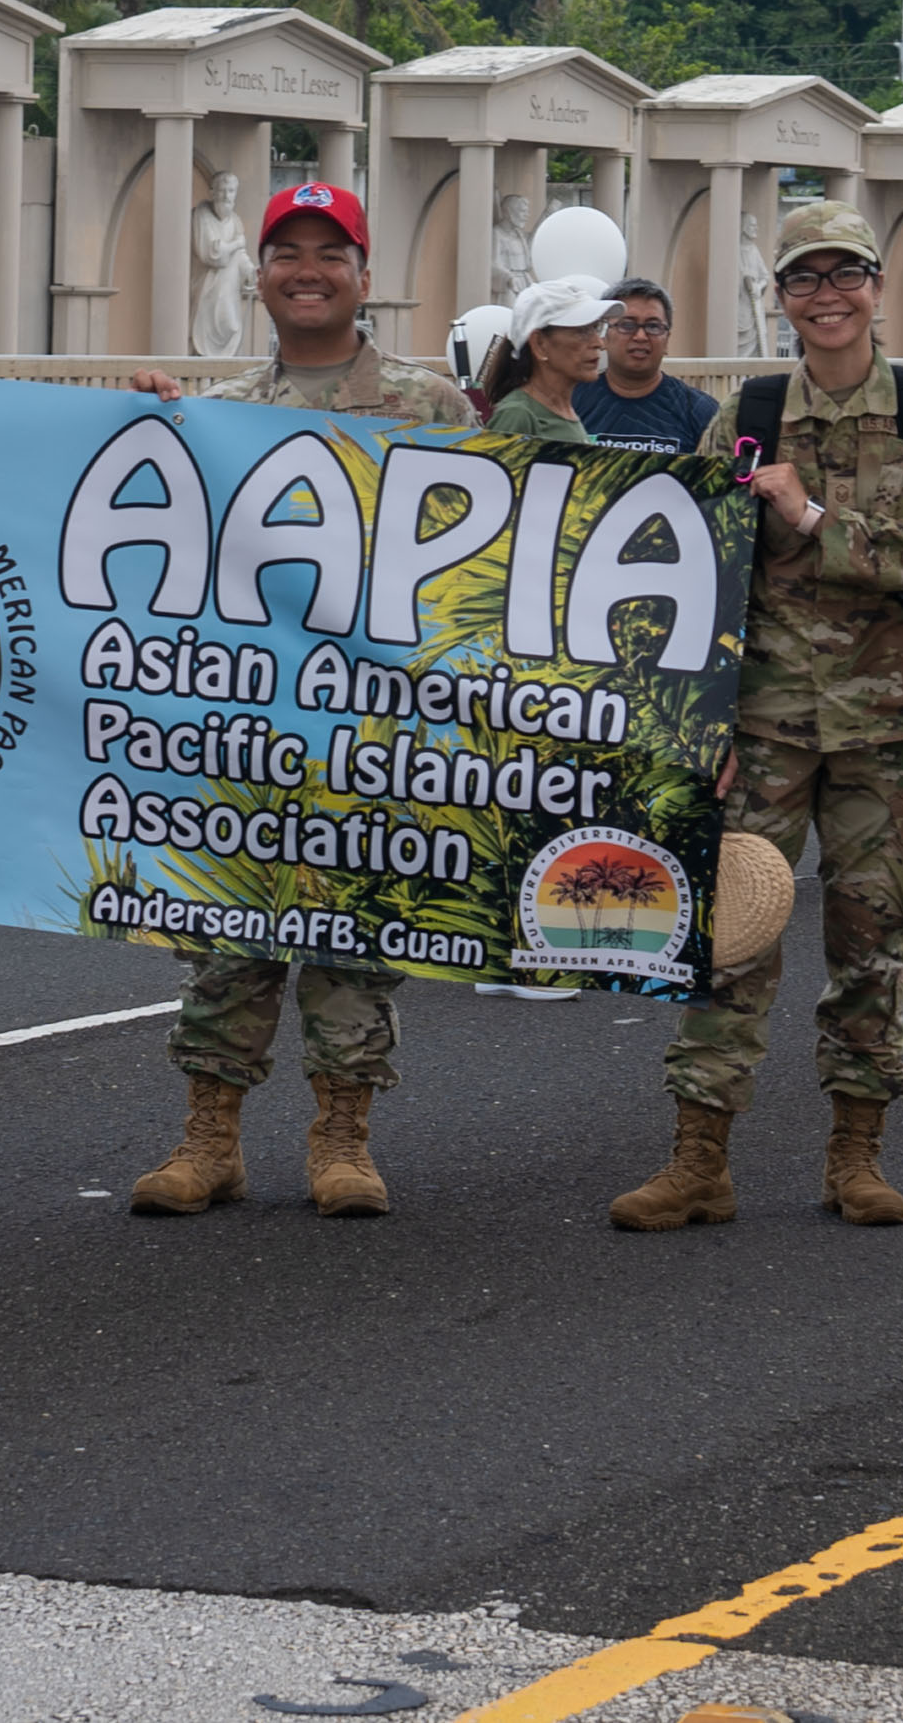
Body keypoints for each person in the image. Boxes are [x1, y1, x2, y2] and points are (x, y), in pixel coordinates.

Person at [611, 202, 903, 1233]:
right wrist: (695, 728)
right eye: (804, 280)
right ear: (778, 298)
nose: (827, 296)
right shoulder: (747, 411)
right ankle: (700, 1159)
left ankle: (855, 1156)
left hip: (893, 728)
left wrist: (814, 519)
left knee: (872, 945)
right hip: (765, 721)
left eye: (845, 275)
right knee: (730, 938)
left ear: (877, 286)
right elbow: (691, 565)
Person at [121, 181, 476, 1216]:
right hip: (249, 731)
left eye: (332, 252)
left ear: (366, 278)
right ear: (260, 275)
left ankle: (342, 1138)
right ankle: (209, 1139)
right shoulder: (223, 419)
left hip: (374, 732)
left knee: (356, 940)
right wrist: (146, 432)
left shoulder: (433, 410)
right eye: (287, 253)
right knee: (227, 937)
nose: (308, 270)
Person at [572, 279, 721, 453]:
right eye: (627, 325)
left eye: (653, 326)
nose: (641, 336)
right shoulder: (571, 403)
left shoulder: (699, 411)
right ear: (604, 336)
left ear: (667, 340)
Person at [476, 274, 614, 442]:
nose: (598, 342)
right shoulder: (518, 415)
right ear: (539, 344)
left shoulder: (563, 411)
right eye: (582, 331)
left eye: (596, 327)